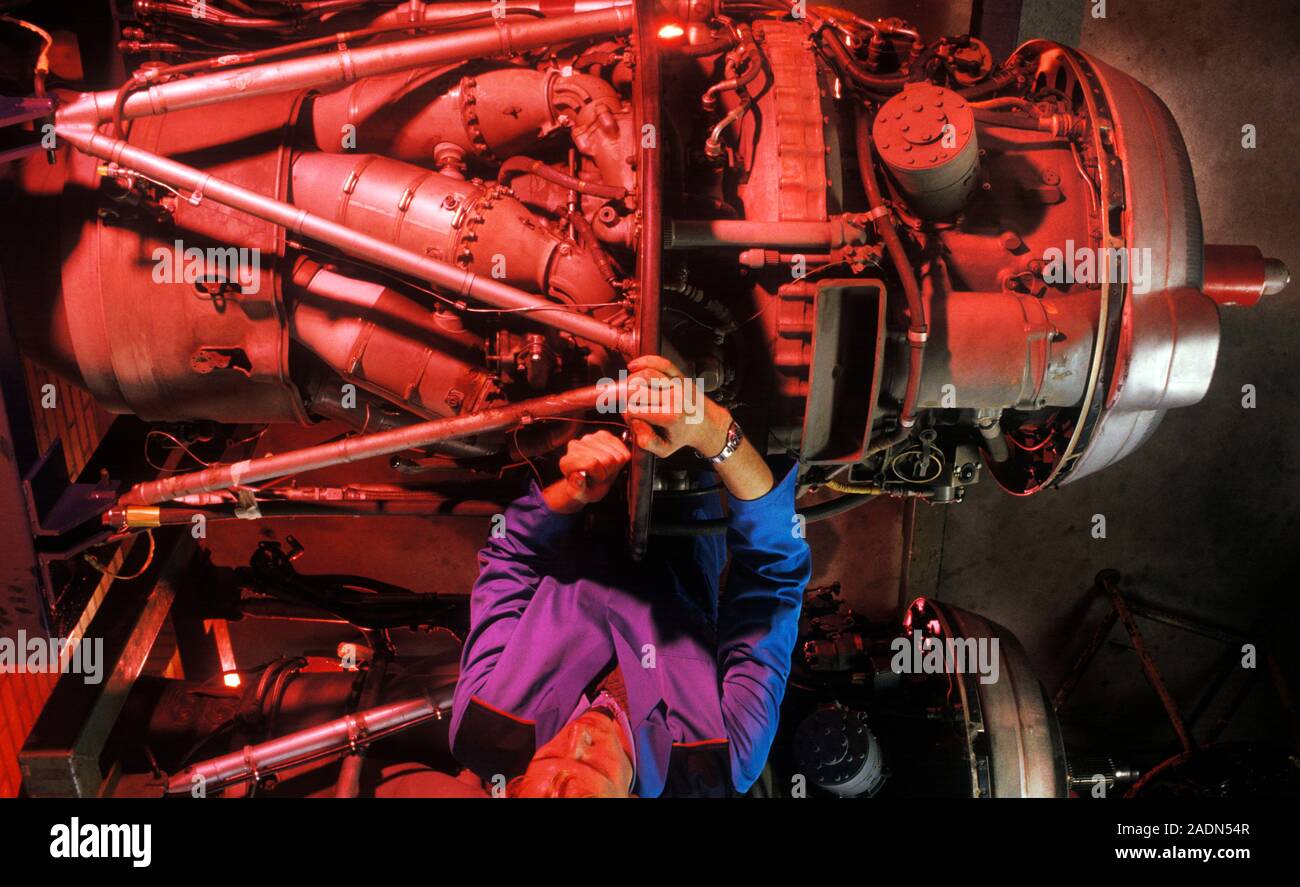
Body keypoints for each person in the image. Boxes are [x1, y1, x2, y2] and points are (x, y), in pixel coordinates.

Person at [448, 356, 811, 797]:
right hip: (698, 479)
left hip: (577, 426)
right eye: (591, 766)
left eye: (547, 765)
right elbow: (771, 579)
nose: (579, 737)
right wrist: (719, 437)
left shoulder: (484, 727)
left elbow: (510, 557)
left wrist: (571, 492)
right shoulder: (719, 759)